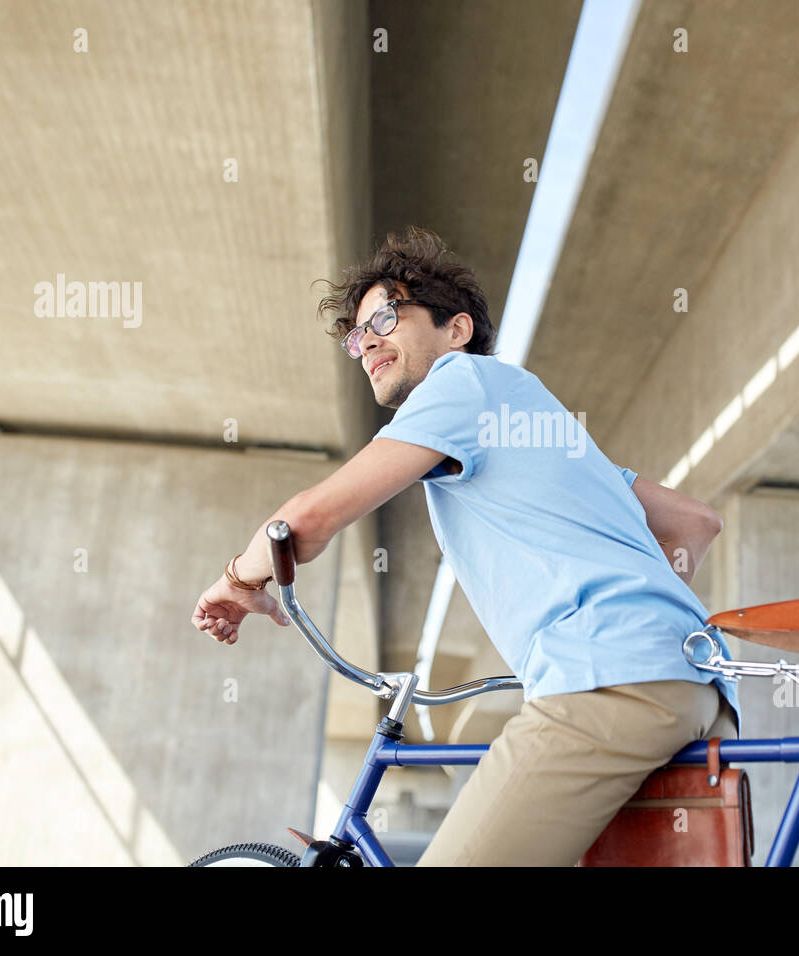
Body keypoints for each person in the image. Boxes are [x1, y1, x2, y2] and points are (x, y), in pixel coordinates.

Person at [191, 225, 742, 865]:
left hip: (611, 687)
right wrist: (655, 625)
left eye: (388, 318)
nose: (367, 340)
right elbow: (695, 522)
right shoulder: (548, 433)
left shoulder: (462, 383)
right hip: (699, 691)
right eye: (357, 334)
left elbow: (307, 521)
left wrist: (236, 581)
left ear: (456, 330)